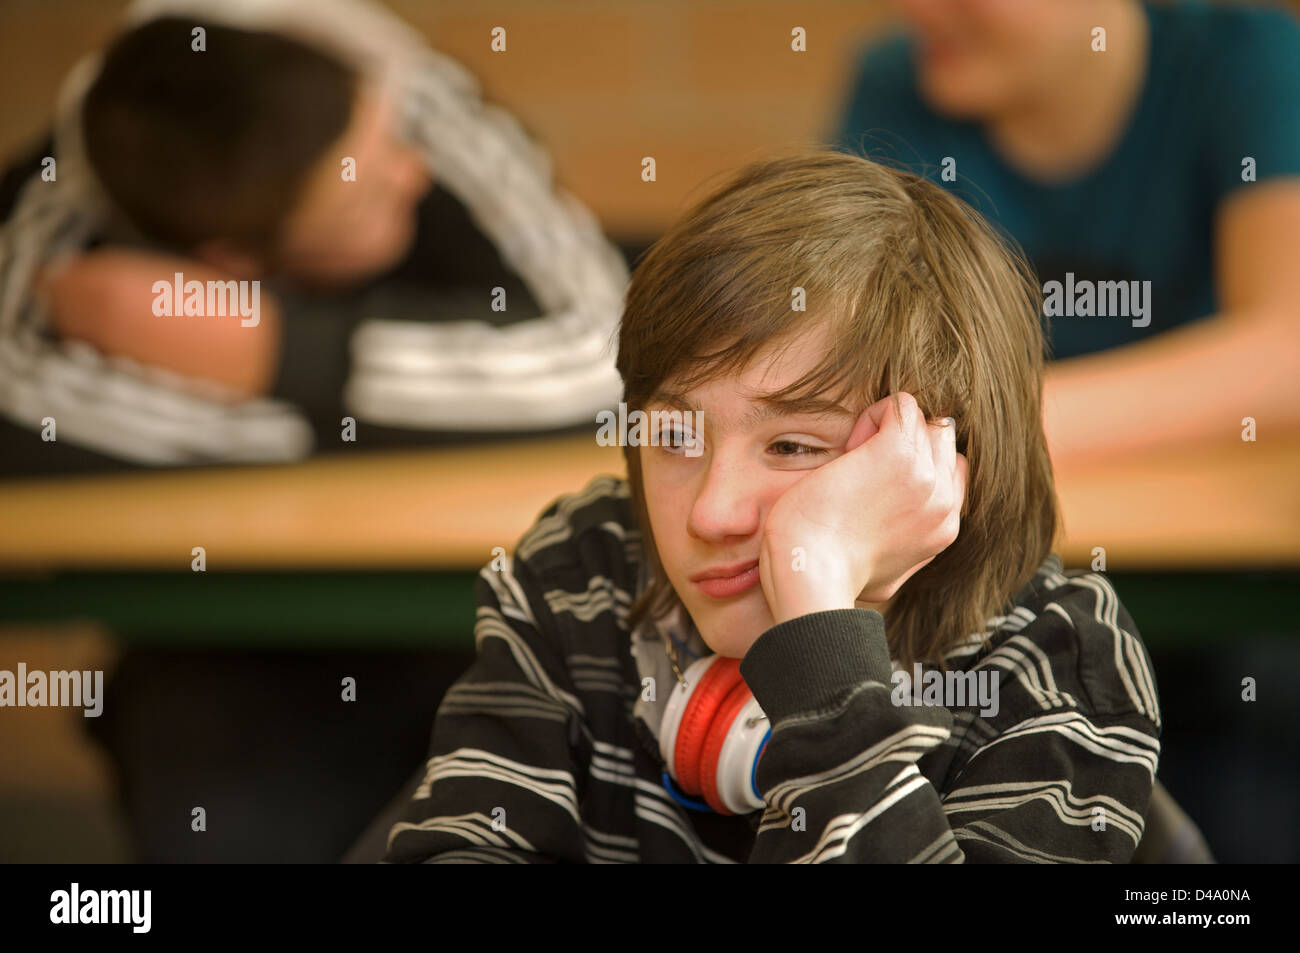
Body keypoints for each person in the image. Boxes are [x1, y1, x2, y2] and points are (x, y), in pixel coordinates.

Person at [381, 152, 1162, 863]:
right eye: (675, 436)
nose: (712, 513)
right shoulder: (579, 575)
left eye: (793, 446)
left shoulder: (1059, 666)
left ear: (936, 466)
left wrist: (821, 645)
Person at [0, 0, 629, 474]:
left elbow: (606, 358)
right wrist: (378, 415)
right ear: (234, 261)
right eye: (365, 203)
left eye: (391, 137)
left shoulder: (409, 95)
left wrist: (275, 353)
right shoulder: (79, 182)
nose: (418, 174)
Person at [831, 0, 1300, 469]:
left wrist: (985, 431)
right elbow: (850, 361)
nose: (918, 10)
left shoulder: (1246, 59)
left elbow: (1287, 352)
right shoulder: (897, 82)